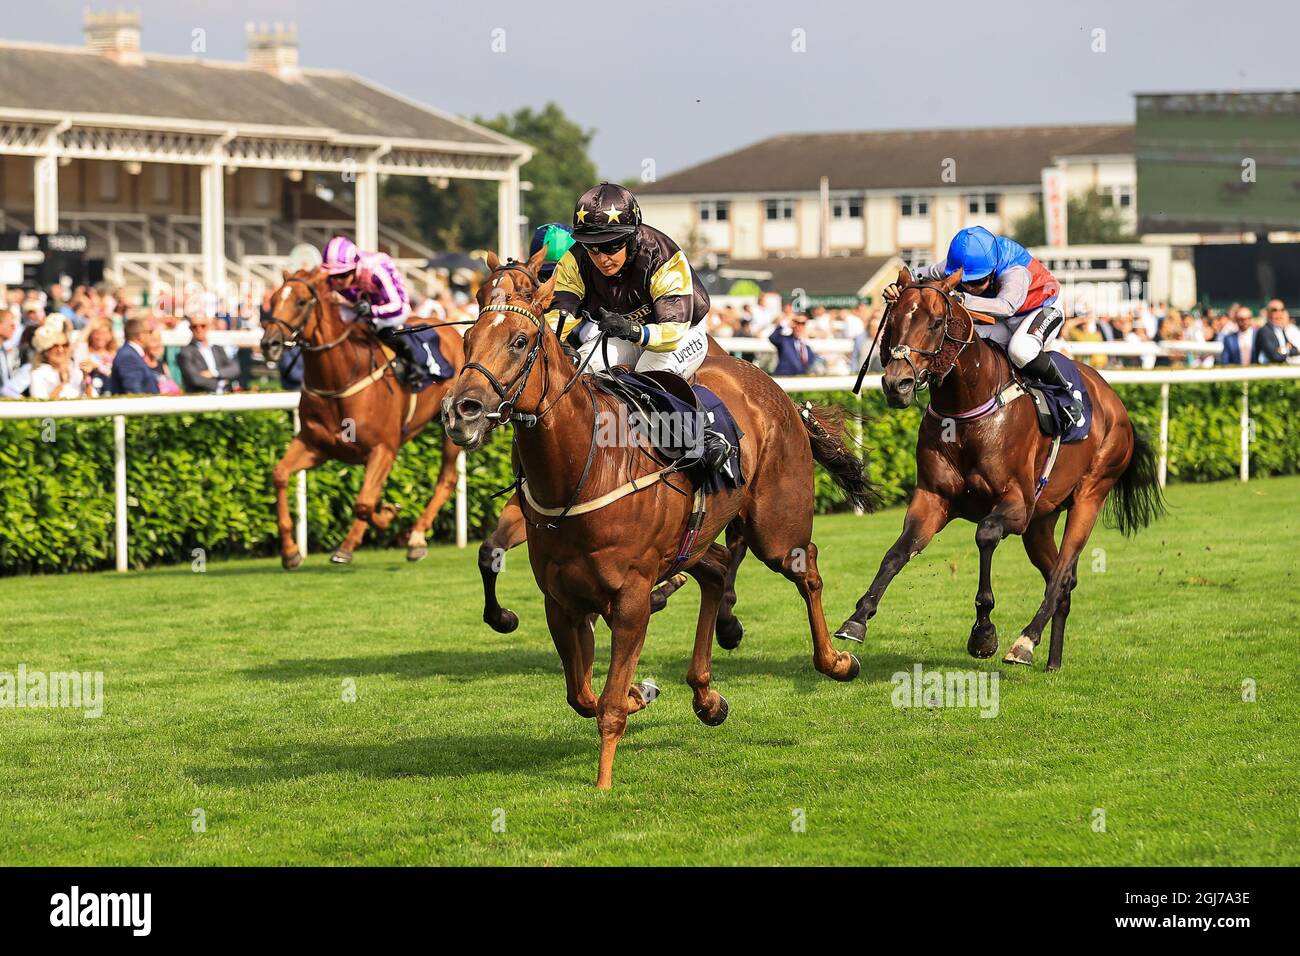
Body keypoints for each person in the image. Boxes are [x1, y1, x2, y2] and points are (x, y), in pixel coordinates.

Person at [543, 182, 729, 469]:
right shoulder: (575, 260)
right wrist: (553, 346)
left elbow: (670, 333)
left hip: (682, 332)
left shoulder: (662, 256)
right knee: (581, 369)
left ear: (632, 237)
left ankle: (706, 439)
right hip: (627, 332)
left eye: (611, 246)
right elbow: (560, 314)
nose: (602, 258)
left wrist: (632, 330)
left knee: (648, 374)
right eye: (593, 249)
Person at [884, 225, 1082, 425]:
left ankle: (1065, 392)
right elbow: (912, 274)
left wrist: (960, 297)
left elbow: (1006, 307)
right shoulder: (959, 264)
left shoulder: (1014, 270)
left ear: (993, 269)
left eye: (977, 281)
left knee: (1021, 350)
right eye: (965, 281)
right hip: (1003, 321)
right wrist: (896, 288)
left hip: (1041, 309)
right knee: (961, 337)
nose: (970, 287)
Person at [321, 236, 420, 388]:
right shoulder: (331, 279)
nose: (337, 281)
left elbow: (397, 305)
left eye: (342, 275)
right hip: (357, 307)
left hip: (392, 310)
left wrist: (371, 311)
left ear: (354, 267)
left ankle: (412, 365)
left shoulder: (375, 269)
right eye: (332, 276)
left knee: (379, 329)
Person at [28, 319, 91, 399]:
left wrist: (87, 378)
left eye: (65, 345)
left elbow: (93, 399)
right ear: (46, 351)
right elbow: (41, 405)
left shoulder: (76, 370)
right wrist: (62, 383)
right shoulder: (38, 374)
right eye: (55, 346)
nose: (60, 350)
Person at [178, 314, 240, 393]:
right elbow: (195, 379)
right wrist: (220, 385)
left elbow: (234, 369)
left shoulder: (218, 349)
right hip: (201, 395)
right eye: (195, 326)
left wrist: (214, 373)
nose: (199, 329)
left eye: (203, 326)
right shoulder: (185, 352)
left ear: (209, 326)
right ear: (190, 328)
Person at [109, 317, 161, 395]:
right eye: (149, 332)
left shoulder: (131, 353)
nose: (151, 335)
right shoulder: (128, 356)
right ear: (140, 335)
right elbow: (133, 391)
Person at [1256, 300, 1299, 364]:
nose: (1279, 313)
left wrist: (1282, 350)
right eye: (1274, 310)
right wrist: (1287, 350)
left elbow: (1295, 351)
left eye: (1282, 310)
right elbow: (1275, 357)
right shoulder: (1264, 331)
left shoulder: (1281, 329)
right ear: (1268, 312)